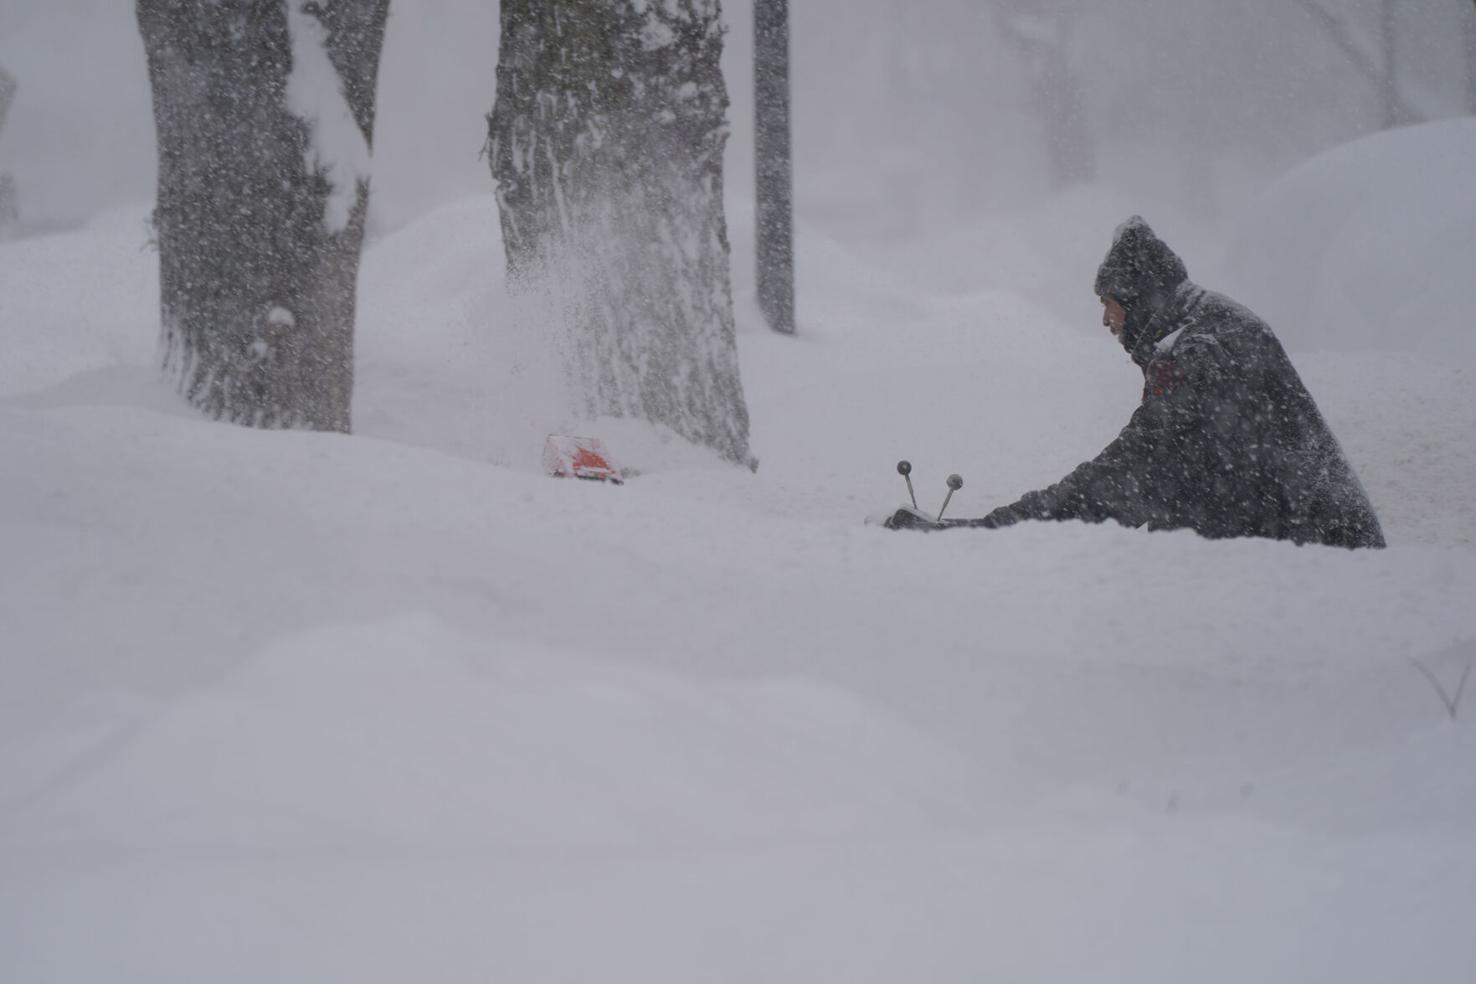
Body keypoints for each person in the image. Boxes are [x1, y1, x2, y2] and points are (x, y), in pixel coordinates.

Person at [886, 216, 1385, 549]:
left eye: (1109, 304)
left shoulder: (1201, 349)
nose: (1105, 321)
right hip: (1305, 551)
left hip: (1319, 571)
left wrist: (992, 533)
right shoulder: (1210, 328)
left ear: (1138, 296)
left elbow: (1133, 472)